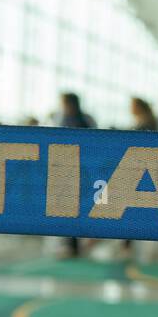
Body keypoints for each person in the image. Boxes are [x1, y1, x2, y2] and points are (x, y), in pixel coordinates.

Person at [56, 93, 94, 258]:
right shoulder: (64, 119)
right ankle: (71, 244)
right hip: (65, 170)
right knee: (67, 207)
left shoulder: (83, 121)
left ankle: (77, 242)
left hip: (80, 171)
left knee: (76, 207)